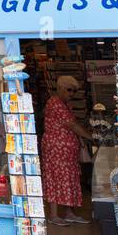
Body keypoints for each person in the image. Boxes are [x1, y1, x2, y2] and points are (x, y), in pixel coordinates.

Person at [40, 75, 92, 225]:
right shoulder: (55, 103)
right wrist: (89, 136)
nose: (72, 94)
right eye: (69, 90)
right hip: (56, 149)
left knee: (70, 178)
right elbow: (72, 125)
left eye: (74, 91)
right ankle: (54, 214)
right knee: (56, 178)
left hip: (67, 152)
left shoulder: (64, 104)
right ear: (61, 88)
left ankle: (70, 212)